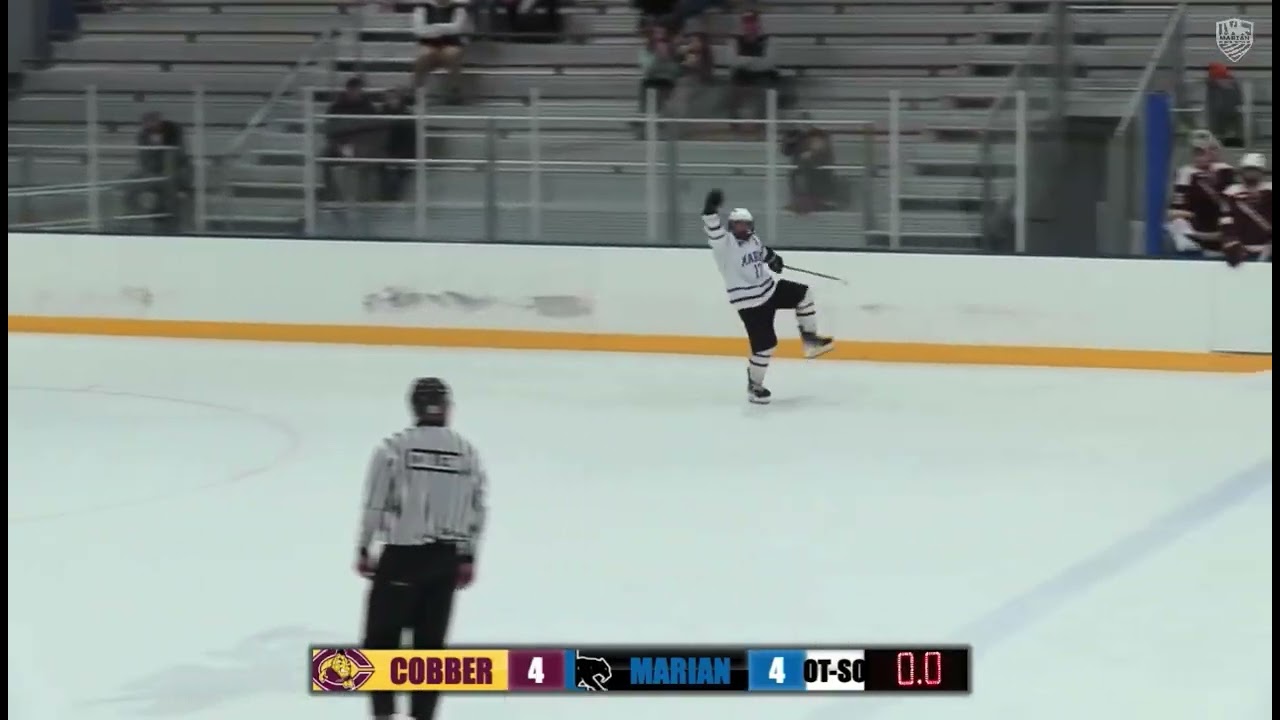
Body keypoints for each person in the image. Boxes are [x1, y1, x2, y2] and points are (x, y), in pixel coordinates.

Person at [355, 377, 488, 720]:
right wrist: (467, 555)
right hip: (444, 561)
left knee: (381, 642)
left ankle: (384, 713)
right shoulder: (467, 452)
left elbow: (375, 503)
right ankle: (423, 716)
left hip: (401, 557)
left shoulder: (392, 449)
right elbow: (477, 508)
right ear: (446, 408)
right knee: (430, 648)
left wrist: (363, 546)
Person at [701, 188, 834, 405]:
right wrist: (709, 210)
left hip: (770, 290)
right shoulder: (724, 244)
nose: (742, 228)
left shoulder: (754, 240)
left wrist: (773, 259)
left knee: (803, 294)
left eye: (745, 224)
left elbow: (762, 252)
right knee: (766, 346)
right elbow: (711, 227)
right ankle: (755, 385)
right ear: (731, 227)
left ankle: (810, 339)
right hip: (750, 304)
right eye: (737, 225)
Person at [1165, 131, 1237, 258]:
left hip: (1220, 232)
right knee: (1177, 223)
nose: (1200, 156)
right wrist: (1192, 218)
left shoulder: (1224, 171)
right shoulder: (1185, 173)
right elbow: (1174, 212)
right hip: (1196, 235)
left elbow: (1231, 204)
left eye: (1205, 151)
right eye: (1196, 152)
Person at [412, 0, 470, 104]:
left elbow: (457, 28)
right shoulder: (422, 7)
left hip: (451, 43)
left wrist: (433, 28)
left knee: (452, 54)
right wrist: (444, 29)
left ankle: (454, 90)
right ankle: (416, 90)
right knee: (424, 54)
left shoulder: (458, 8)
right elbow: (419, 30)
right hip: (428, 44)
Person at [1219, 152, 1272, 267]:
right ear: (1242, 171)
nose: (1250, 172)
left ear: (1261, 171)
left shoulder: (1270, 191)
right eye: (1248, 169)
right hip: (1239, 250)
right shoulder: (1230, 192)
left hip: (1267, 250)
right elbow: (1226, 220)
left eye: (1254, 169)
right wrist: (1232, 243)